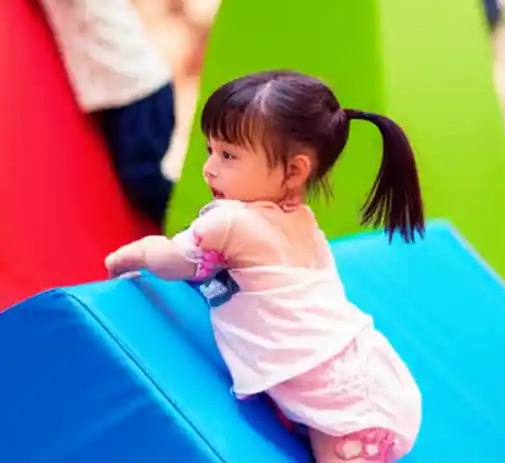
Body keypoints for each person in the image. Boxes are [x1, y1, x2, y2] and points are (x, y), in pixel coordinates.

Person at [104, 70, 424, 462]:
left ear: (294, 171)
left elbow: (173, 261)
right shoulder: (300, 220)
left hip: (341, 403)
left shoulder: (229, 223)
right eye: (210, 150)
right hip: (362, 372)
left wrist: (132, 254)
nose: (210, 168)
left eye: (228, 156)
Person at [0, 0, 175, 225]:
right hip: (113, 96)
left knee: (139, 176)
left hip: (138, 93)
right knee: (119, 177)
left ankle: (191, 222)